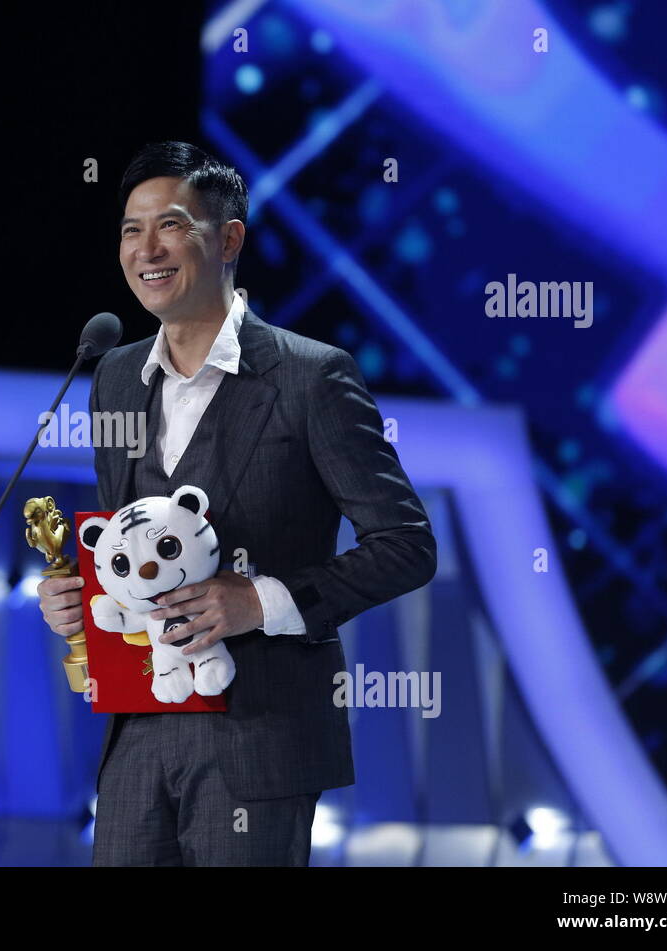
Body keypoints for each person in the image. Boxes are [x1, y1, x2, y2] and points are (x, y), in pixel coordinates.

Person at [38, 141, 437, 866]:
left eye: (171, 226)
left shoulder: (312, 377)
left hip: (262, 736)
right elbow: (125, 547)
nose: (146, 249)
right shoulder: (116, 378)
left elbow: (407, 545)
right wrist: (75, 596)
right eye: (131, 229)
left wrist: (263, 601)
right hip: (138, 731)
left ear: (228, 239)